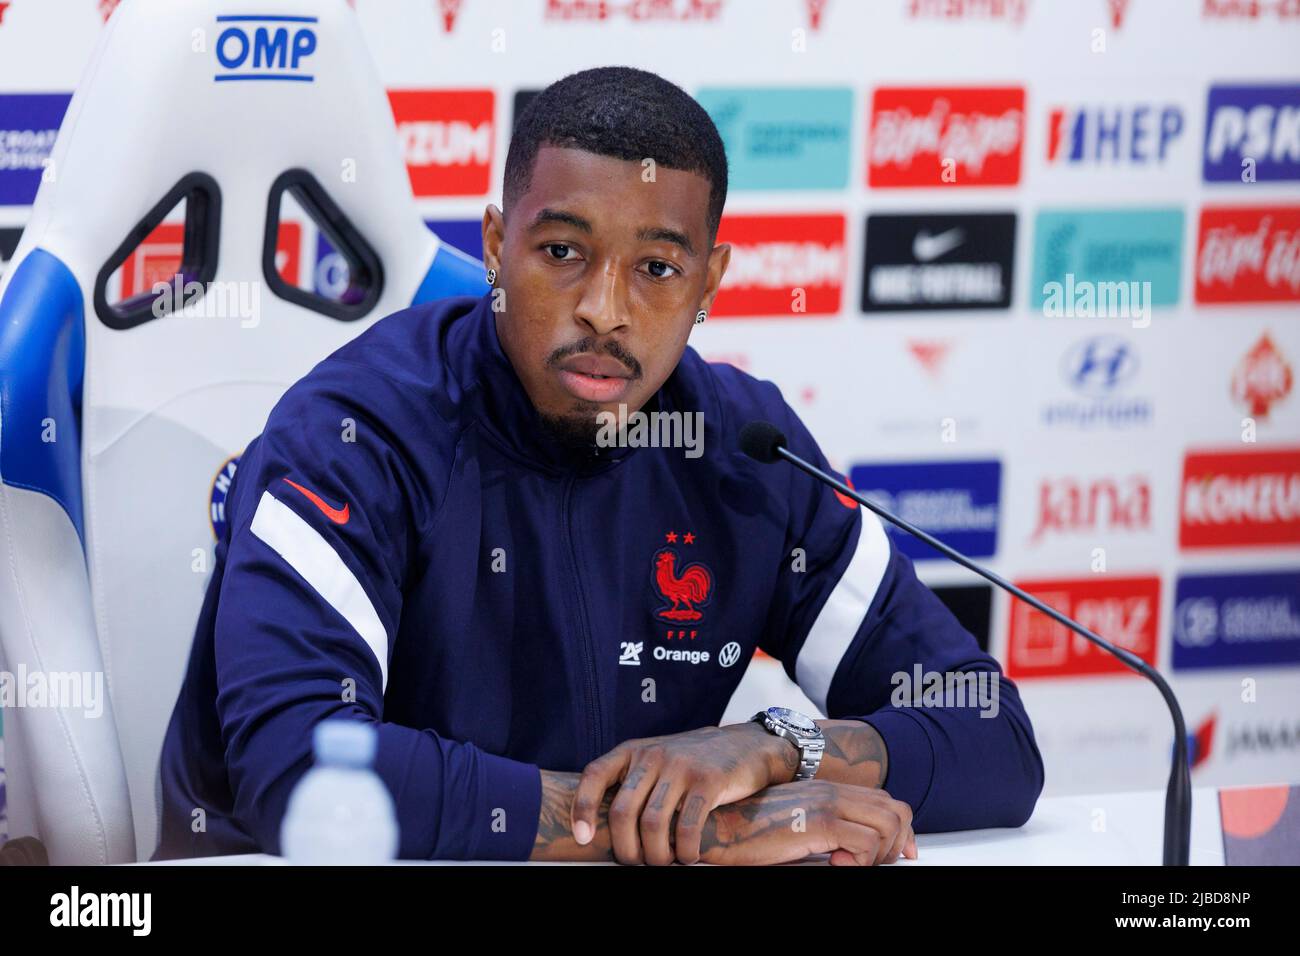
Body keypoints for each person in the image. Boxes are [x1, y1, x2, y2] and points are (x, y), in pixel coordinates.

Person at [155, 66, 1043, 866]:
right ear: (499, 245)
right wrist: (699, 830)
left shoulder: (745, 449)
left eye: (657, 267)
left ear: (709, 282)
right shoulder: (357, 435)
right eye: (563, 252)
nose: (604, 310)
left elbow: (993, 735)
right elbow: (299, 770)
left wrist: (775, 748)